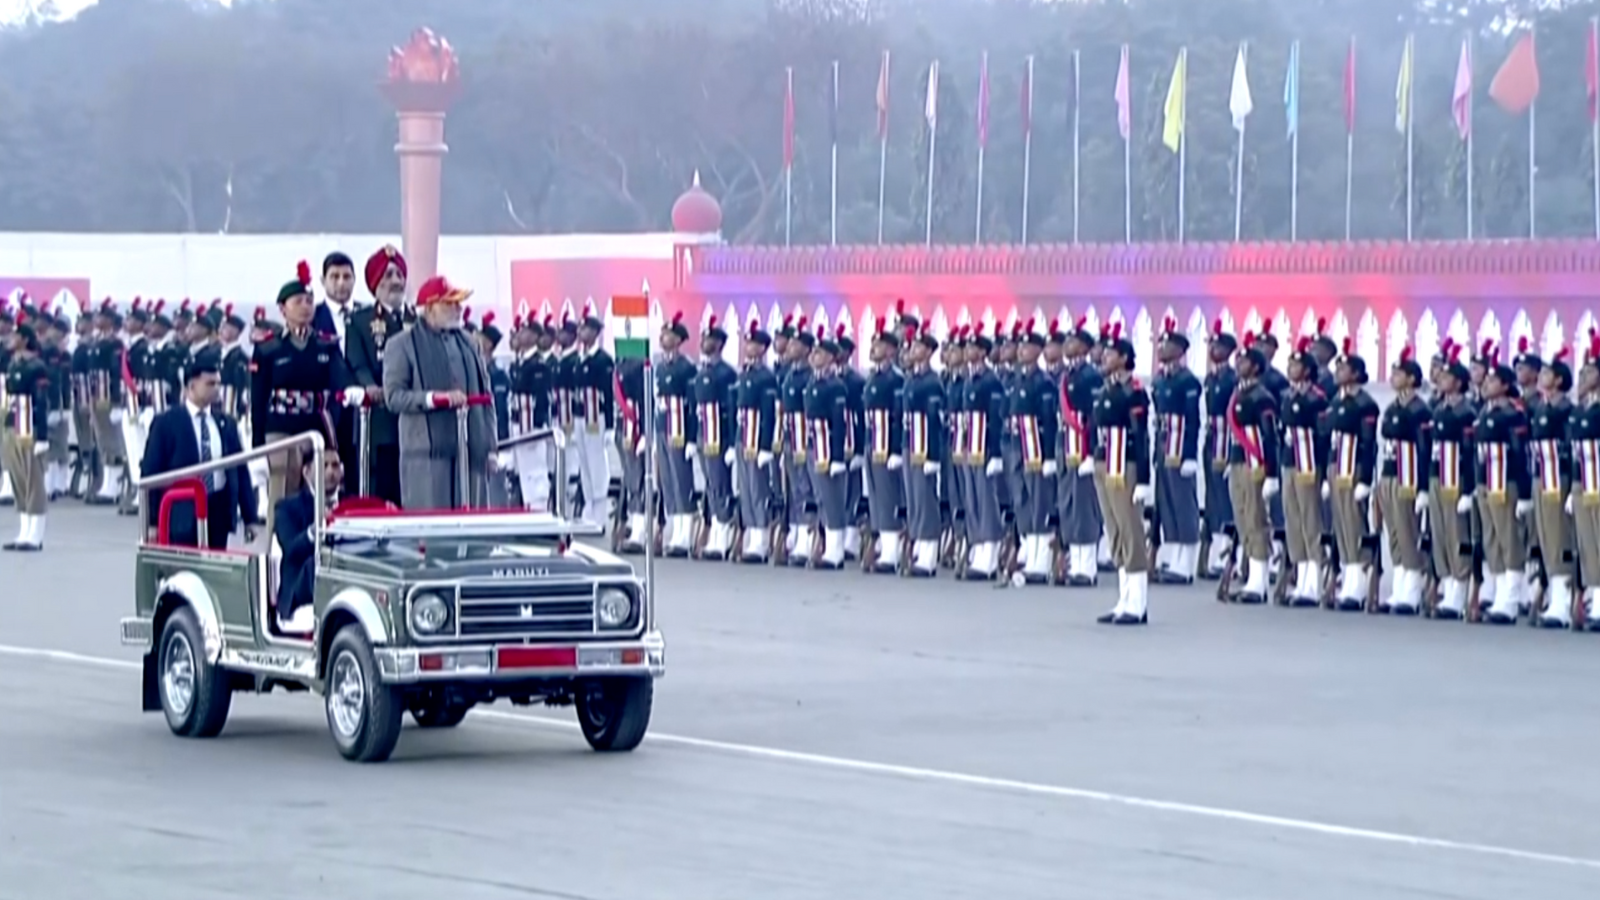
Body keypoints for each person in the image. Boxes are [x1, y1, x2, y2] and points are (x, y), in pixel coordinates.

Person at [252, 262, 361, 530]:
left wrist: (350, 389)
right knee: (284, 491)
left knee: (320, 489)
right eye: (298, 301)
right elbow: (258, 399)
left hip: (316, 426)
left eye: (310, 300)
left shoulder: (325, 344)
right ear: (282, 308)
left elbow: (339, 375)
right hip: (281, 429)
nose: (306, 306)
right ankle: (278, 546)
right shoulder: (269, 348)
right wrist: (258, 448)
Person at [382, 274, 495, 510]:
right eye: (450, 303)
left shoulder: (469, 342)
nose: (458, 309)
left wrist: (490, 447)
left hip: (472, 451)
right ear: (430, 308)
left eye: (458, 303)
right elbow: (393, 397)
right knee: (432, 530)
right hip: (426, 455)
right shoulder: (401, 344)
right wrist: (433, 399)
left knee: (475, 526)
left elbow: (486, 398)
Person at [140, 358, 260, 551]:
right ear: (191, 386)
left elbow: (240, 470)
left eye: (218, 383)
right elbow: (152, 472)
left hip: (218, 509)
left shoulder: (226, 423)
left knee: (215, 568)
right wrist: (152, 521)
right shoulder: (167, 423)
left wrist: (250, 518)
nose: (217, 389)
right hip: (181, 511)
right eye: (210, 384)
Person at [1090, 323, 1153, 625]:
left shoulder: (1135, 392)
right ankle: (1123, 597)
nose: (1104, 356)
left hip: (1124, 464)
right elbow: (1095, 428)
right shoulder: (1107, 389)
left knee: (1130, 530)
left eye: (1110, 353)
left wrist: (1143, 479)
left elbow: (1141, 437)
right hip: (1105, 463)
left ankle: (1138, 602)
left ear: (1125, 357)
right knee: (1114, 530)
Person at [344, 246, 408, 504]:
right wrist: (370, 386)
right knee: (380, 488)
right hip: (380, 419)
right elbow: (357, 363)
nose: (395, 281)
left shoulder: (416, 318)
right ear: (375, 283)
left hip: (412, 419)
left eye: (399, 274)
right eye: (387, 275)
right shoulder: (360, 320)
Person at [1474, 350, 1532, 625]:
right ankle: (1497, 591)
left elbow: (1520, 454)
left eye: (1493, 381)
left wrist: (1523, 493)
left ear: (1506, 386)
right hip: (1487, 482)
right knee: (1491, 538)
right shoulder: (1486, 411)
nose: (1486, 384)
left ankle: (1510, 598)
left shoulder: (1513, 413)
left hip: (1505, 481)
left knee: (1509, 539)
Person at [1376, 345, 1433, 615]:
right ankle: (1399, 585)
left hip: (1408, 477)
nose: (1393, 376)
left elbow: (1424, 450)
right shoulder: (1393, 406)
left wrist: (1422, 487)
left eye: (1399, 373)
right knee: (1395, 534)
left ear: (1412, 378)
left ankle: (1411, 589)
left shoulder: (1419, 410)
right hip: (1389, 475)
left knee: (1408, 532)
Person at [1224, 333, 1282, 605]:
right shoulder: (1238, 392)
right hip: (1238, 461)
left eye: (1245, 361)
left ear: (1257, 367)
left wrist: (1271, 473)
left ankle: (1259, 579)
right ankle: (1250, 573)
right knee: (1242, 516)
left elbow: (1270, 437)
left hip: (1255, 464)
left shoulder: (1262, 397)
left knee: (1256, 517)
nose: (1238, 364)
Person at [1325, 340, 1382, 611]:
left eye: (1343, 368)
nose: (1338, 372)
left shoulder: (1365, 404)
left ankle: (1358, 582)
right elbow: (1330, 439)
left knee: (1354, 523)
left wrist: (1365, 480)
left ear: (1357, 374)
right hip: (1337, 466)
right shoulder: (1337, 400)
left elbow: (1369, 444)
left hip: (1354, 467)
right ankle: (1347, 575)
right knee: (1341, 525)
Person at [1150, 316, 1203, 584]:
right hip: (1163, 444)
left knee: (1183, 503)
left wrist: (1191, 455)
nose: (1161, 348)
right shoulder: (1159, 380)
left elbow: (1193, 420)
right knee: (1167, 502)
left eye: (1167, 344)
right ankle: (1172, 555)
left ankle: (1187, 562)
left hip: (1180, 446)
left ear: (1180, 351)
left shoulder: (1188, 381)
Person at [1279, 337, 1331, 606]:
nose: (1291, 369)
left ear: (1308, 370)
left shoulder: (1317, 399)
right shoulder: (1287, 396)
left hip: (1309, 464)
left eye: (1296, 365)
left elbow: (1322, 438)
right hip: (1290, 463)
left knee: (1311, 521)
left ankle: (1314, 580)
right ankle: (1301, 577)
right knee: (1293, 520)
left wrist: (1323, 475)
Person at [1428, 344, 1479, 620]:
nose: (1441, 380)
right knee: (1440, 532)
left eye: (1447, 378)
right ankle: (1446, 583)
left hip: (1456, 477)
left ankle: (1460, 587)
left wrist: (1468, 490)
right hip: (1438, 476)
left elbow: (1470, 453)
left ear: (1458, 383)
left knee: (1457, 532)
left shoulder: (1467, 413)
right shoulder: (1438, 409)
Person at [1531, 348, 1577, 627]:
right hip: (1540, 476)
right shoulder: (1541, 407)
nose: (1541, 377)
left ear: (1559, 380)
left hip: (1558, 477)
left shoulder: (1565, 410)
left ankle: (1563, 600)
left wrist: (1572, 486)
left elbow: (1572, 450)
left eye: (1547, 373)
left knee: (1560, 537)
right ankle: (1552, 594)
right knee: (1546, 537)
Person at [1007, 322, 1057, 583]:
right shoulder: (1018, 379)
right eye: (1021, 346)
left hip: (1035, 448)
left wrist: (1049, 456)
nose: (1022, 350)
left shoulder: (1043, 382)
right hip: (1018, 447)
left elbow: (1048, 421)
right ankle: (1029, 552)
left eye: (1028, 346)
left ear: (1038, 350)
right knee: (1022, 501)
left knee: (1039, 503)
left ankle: (1041, 561)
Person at [274, 452, 344, 633]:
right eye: (324, 465)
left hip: (344, 581)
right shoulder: (286, 507)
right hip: (301, 589)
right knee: (319, 561)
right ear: (306, 472)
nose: (330, 472)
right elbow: (291, 550)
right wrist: (317, 529)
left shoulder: (352, 502)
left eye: (335, 466)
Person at [1056, 317, 1103, 586]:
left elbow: (1095, 418)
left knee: (1085, 506)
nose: (1067, 345)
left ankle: (1088, 565)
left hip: (1083, 445)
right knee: (1069, 504)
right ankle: (1075, 561)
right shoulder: (1068, 375)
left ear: (1084, 348)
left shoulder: (1091, 376)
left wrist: (1092, 454)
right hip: (1066, 445)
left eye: (1073, 341)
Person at [801, 326, 851, 569]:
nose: (814, 357)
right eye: (813, 353)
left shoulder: (835, 386)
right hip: (813, 446)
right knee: (820, 498)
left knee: (832, 499)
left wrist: (838, 458)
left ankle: (836, 549)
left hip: (828, 448)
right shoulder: (813, 383)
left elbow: (840, 424)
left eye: (819, 353)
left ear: (831, 358)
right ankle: (825, 544)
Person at [900, 323, 946, 576]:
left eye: (918, 346)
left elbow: (934, 422)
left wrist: (933, 456)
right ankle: (918, 543)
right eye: (912, 345)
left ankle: (929, 552)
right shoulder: (912, 380)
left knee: (925, 498)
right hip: (910, 445)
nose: (912, 350)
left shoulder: (931, 383)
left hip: (924, 446)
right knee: (914, 498)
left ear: (929, 352)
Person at [733, 319, 780, 563]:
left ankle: (761, 538)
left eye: (753, 344)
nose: (748, 347)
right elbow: (736, 413)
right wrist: (734, 442)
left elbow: (769, 414)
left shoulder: (766, 377)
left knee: (758, 488)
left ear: (762, 349)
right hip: (743, 437)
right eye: (747, 342)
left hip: (756, 438)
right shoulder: (744, 374)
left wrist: (764, 447)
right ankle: (750, 532)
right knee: (745, 489)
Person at [862, 318, 906, 574]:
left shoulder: (895, 379)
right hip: (872, 442)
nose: (873, 348)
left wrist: (896, 450)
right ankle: (882, 541)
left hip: (886, 444)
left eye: (879, 344)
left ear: (891, 350)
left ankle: (892, 549)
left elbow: (899, 417)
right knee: (877, 496)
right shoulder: (873, 377)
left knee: (888, 497)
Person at [3, 323, 52, 551]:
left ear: (24, 339)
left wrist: (42, 436)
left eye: (14, 335)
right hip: (14, 425)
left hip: (30, 428)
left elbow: (41, 401)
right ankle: (24, 530)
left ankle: (36, 533)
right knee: (19, 480)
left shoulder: (37, 366)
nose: (10, 339)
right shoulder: (13, 364)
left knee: (34, 480)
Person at [691, 316, 737, 558]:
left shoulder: (726, 373)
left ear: (719, 344)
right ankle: (715, 530)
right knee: (710, 484)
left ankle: (723, 531)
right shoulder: (702, 371)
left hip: (718, 436)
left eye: (709, 339)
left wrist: (730, 443)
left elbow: (730, 410)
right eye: (703, 337)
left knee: (721, 485)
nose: (704, 342)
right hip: (702, 434)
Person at [654, 312, 698, 556]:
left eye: (669, 334)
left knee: (682, 480)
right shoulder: (660, 367)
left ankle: (686, 531)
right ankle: (673, 528)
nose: (664, 338)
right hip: (663, 428)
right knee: (668, 482)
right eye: (663, 333)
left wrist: (692, 438)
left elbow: (692, 406)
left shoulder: (686, 368)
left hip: (679, 429)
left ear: (679, 340)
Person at [1200, 321, 1240, 578]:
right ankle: (1215, 549)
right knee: (1213, 496)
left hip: (1226, 439)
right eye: (1210, 345)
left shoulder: (1232, 378)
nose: (1212, 349)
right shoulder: (1211, 377)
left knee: (1226, 498)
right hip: (1212, 436)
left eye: (1216, 345)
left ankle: (1228, 551)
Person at [572, 303, 616, 528]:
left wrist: (610, 425)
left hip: (596, 418)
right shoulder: (579, 359)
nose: (581, 333)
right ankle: (589, 504)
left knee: (597, 464)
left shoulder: (603, 360)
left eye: (586, 329)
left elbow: (609, 394)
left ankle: (599, 509)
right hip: (580, 417)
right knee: (584, 463)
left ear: (596, 333)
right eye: (580, 329)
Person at [1568, 332, 1600, 630]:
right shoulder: (1581, 410)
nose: (1583, 376)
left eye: (1589, 372)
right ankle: (1595, 595)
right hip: (1584, 482)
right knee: (1589, 542)